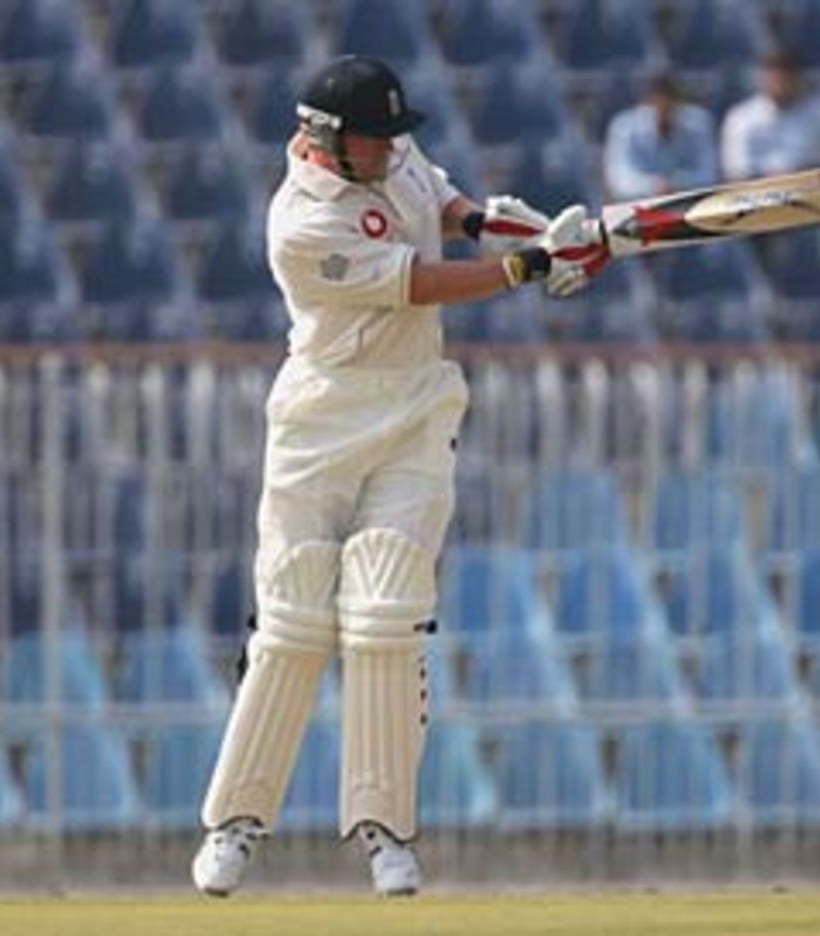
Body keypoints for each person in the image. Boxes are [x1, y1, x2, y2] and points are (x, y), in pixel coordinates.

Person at [190, 56, 607, 898]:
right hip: (321, 418)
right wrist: (527, 270)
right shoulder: (298, 224)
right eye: (375, 141)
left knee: (387, 607)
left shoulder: (389, 152)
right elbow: (418, 283)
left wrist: (513, 231)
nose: (390, 152)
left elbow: (447, 212)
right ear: (327, 141)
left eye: (392, 137)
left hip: (416, 409)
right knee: (296, 614)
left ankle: (385, 833)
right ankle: (237, 823)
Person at [721, 48, 820, 180]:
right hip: (758, 198)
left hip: (814, 193)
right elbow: (737, 171)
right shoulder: (742, 117)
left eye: (787, 77)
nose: (781, 83)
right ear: (763, 78)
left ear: (799, 78)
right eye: (775, 76)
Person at [603, 71, 719, 200]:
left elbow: (709, 176)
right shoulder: (624, 126)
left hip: (687, 205)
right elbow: (620, 182)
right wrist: (654, 186)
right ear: (647, 100)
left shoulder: (700, 123)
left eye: (669, 97)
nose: (664, 104)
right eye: (658, 98)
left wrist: (676, 184)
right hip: (637, 208)